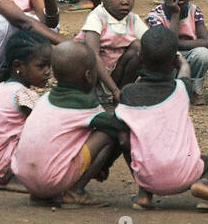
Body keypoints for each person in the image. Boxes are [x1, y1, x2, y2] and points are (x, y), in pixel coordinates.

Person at [115, 27, 208, 211]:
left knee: (129, 140)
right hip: (187, 175)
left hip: (147, 175)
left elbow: (124, 141)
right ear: (174, 61)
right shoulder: (182, 90)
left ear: (140, 59)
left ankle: (144, 194)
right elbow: (185, 74)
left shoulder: (128, 94)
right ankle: (204, 184)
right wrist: (181, 62)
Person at [10, 40, 125, 206]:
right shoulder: (84, 106)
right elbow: (117, 125)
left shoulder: (45, 99)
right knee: (106, 134)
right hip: (50, 180)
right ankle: (75, 192)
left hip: (25, 179)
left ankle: (41, 194)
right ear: (89, 76)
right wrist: (105, 165)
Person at [0, 29, 53, 191]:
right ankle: (19, 179)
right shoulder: (23, 94)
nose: (48, 72)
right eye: (41, 66)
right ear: (18, 65)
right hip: (5, 166)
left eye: (49, 65)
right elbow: (44, 127)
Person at [145, 0, 208, 104]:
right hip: (167, 61)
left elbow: (206, 42)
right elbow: (167, 46)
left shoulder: (194, 11)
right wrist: (175, 14)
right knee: (168, 58)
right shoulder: (155, 16)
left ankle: (195, 92)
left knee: (203, 54)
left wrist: (178, 44)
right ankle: (169, 91)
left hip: (187, 55)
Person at [78, 0, 149, 101]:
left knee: (140, 47)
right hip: (94, 78)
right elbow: (93, 55)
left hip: (116, 74)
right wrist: (114, 89)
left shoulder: (132, 19)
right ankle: (96, 97)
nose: (125, 1)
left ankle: (122, 93)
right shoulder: (97, 17)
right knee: (85, 56)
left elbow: (151, 43)